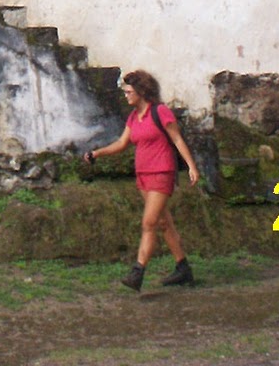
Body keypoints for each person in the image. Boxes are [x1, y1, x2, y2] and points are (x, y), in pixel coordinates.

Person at [82, 68, 201, 291]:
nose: (126, 95)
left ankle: (138, 272)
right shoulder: (133, 117)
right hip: (143, 176)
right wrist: (97, 153)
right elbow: (121, 143)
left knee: (149, 223)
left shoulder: (161, 112)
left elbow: (177, 139)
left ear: (141, 91)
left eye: (129, 91)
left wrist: (192, 166)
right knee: (163, 222)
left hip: (161, 173)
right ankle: (183, 268)